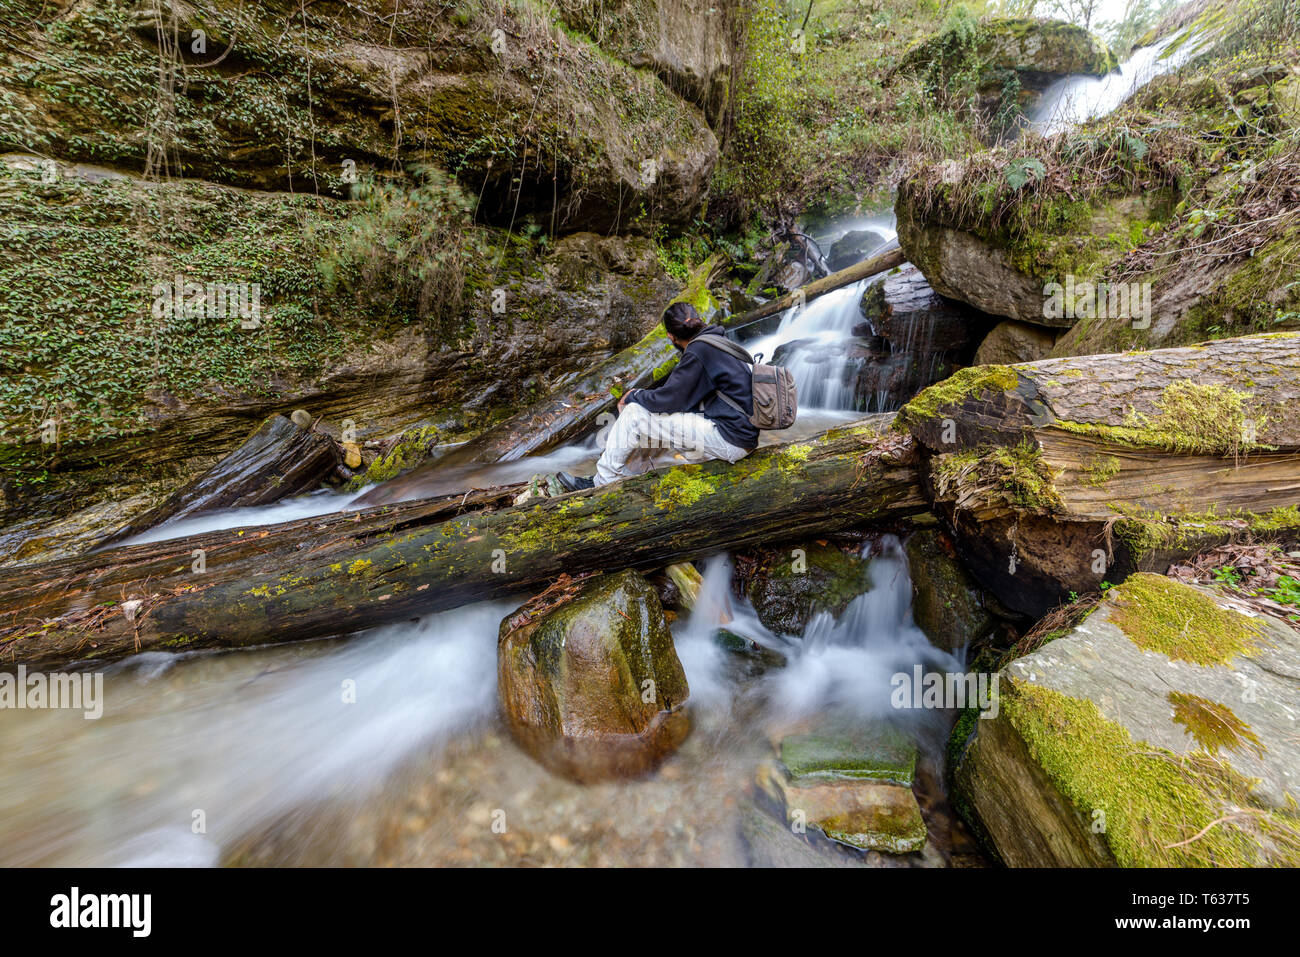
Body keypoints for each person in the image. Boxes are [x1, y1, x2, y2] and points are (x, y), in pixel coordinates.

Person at [556, 302, 758, 491]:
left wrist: (634, 395)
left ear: (671, 337)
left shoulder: (699, 352)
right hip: (742, 434)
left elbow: (668, 401)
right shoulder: (717, 341)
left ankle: (602, 482)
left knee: (634, 414)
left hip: (731, 439)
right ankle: (691, 473)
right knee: (668, 425)